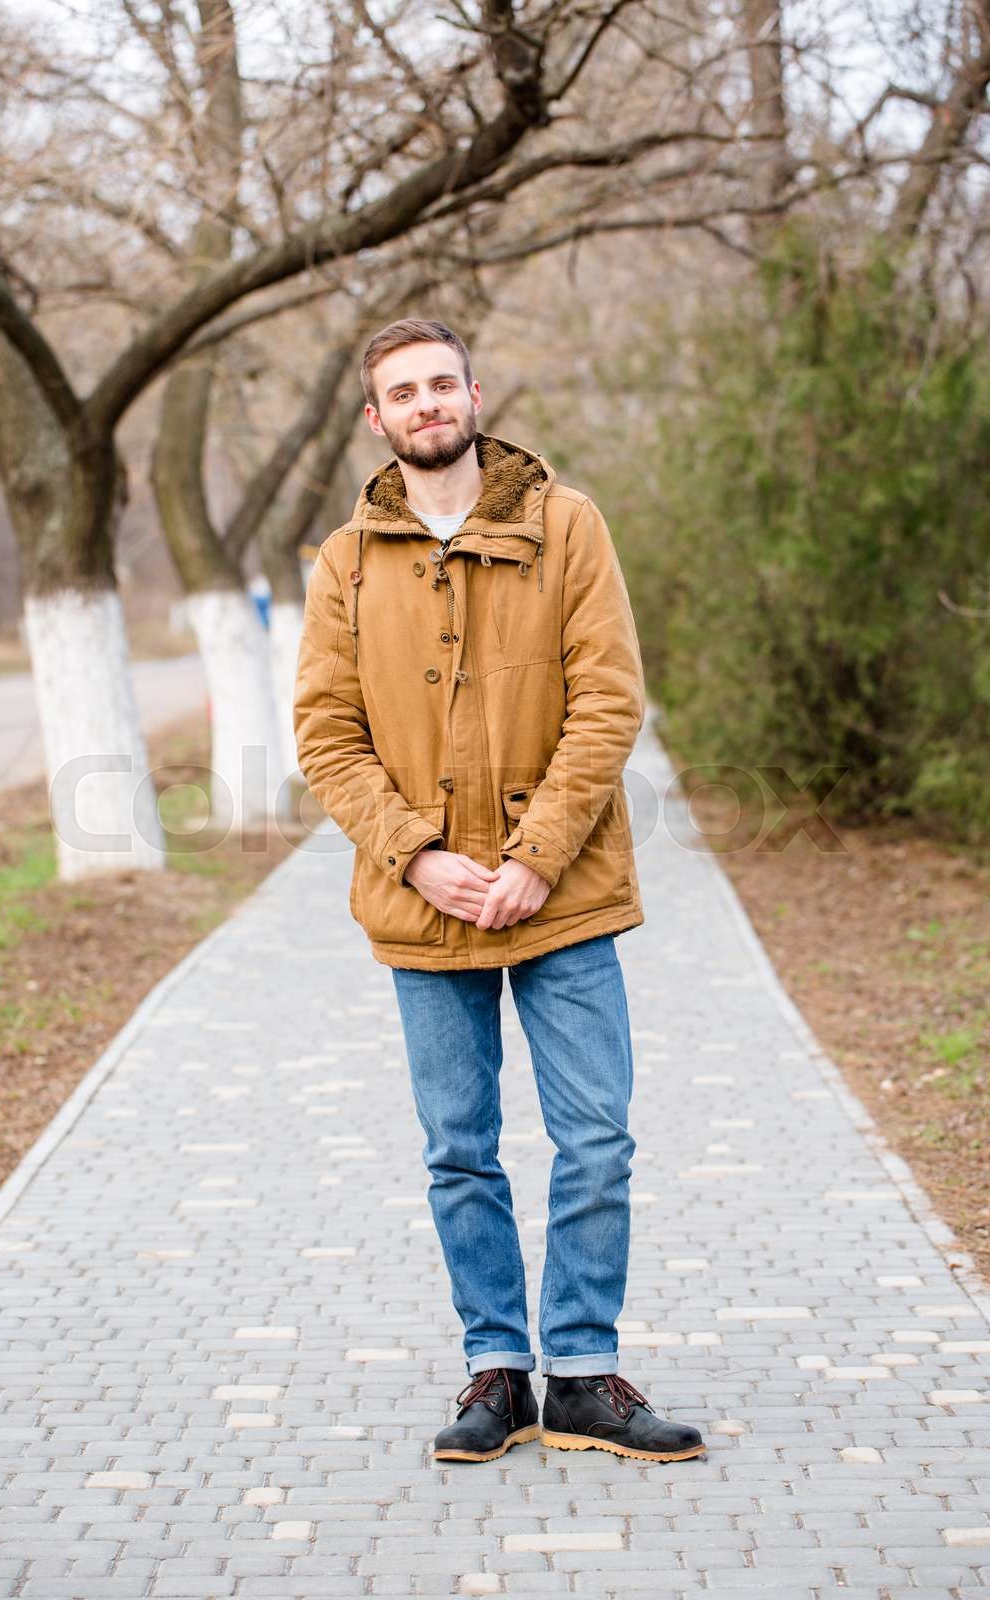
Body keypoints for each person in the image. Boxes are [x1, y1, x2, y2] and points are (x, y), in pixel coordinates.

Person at [293, 318, 705, 1466]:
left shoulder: (565, 524)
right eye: (401, 392)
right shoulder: (346, 560)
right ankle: (496, 1369)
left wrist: (532, 856)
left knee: (596, 1138)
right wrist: (417, 855)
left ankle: (580, 1370)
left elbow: (607, 701)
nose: (426, 403)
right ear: (376, 419)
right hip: (423, 905)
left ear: (473, 393)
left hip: (560, 896)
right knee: (457, 1149)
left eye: (440, 382)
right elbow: (326, 735)